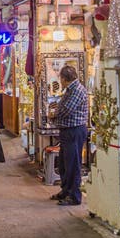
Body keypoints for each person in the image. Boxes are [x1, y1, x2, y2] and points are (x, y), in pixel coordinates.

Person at [50, 65, 88, 206]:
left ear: (64, 79)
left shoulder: (77, 90)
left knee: (72, 164)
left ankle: (74, 196)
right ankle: (65, 190)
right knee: (64, 164)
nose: (60, 81)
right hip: (68, 131)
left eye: (60, 78)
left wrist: (54, 114)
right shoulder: (70, 90)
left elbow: (66, 110)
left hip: (74, 131)